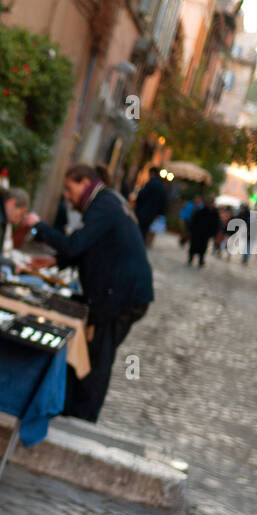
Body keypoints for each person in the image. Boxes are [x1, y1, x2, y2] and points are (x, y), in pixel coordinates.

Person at [23, 162, 155, 422]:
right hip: (119, 293)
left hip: (122, 296)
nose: (67, 196)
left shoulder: (103, 206)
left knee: (99, 353)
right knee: (96, 349)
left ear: (85, 183)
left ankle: (83, 413)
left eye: (69, 189)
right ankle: (75, 406)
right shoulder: (105, 202)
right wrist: (55, 261)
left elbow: (75, 246)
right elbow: (91, 248)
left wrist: (39, 227)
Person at [133, 166, 169, 246]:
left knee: (139, 230)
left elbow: (142, 196)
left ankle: (137, 245)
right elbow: (163, 201)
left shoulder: (151, 183)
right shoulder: (162, 186)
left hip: (143, 211)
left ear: (152, 173)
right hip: (153, 213)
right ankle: (141, 245)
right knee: (145, 231)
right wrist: (159, 213)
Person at [187, 196, 220, 267]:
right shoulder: (200, 211)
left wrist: (213, 233)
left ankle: (201, 260)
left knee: (203, 247)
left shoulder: (215, 213)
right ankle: (191, 258)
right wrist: (191, 230)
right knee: (193, 246)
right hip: (197, 232)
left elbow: (216, 224)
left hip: (206, 234)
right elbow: (194, 221)